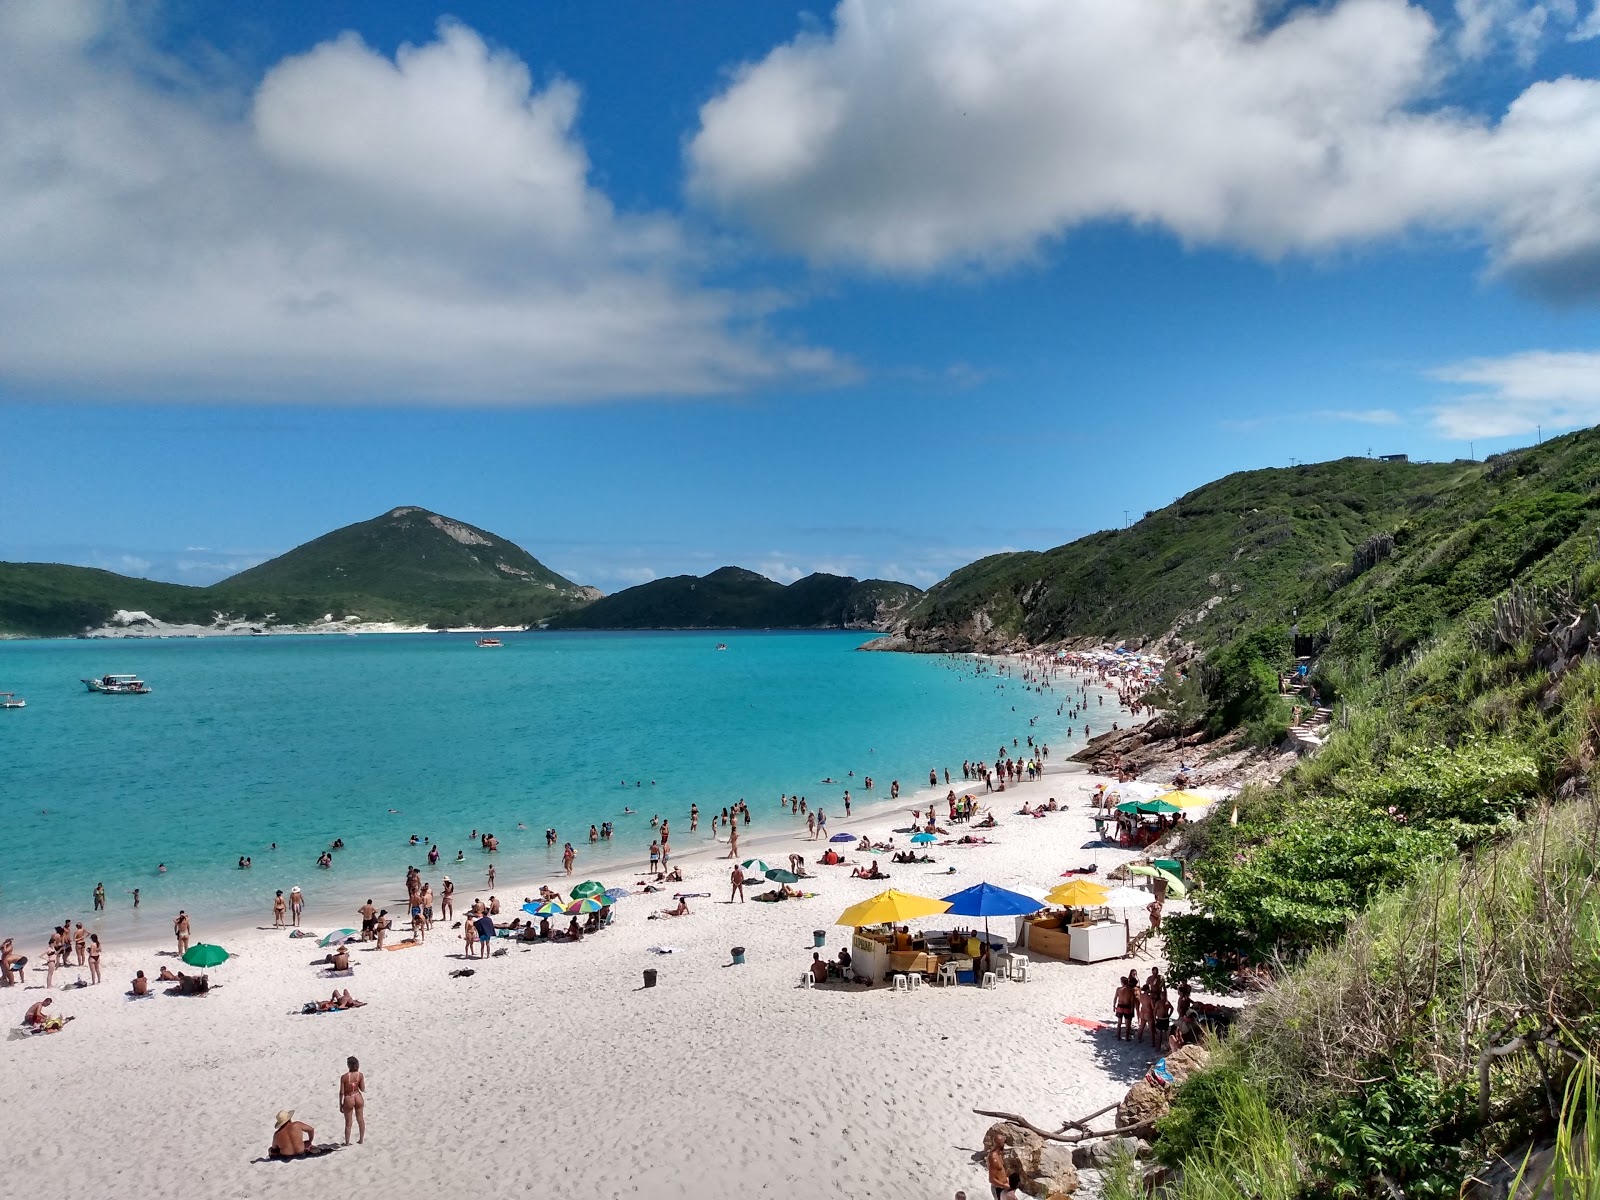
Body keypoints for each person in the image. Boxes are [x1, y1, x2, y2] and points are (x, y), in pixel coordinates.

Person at [339, 1056, 366, 1145]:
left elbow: (342, 1092)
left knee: (348, 1122)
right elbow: (362, 1089)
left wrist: (340, 1104)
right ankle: (361, 1139)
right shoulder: (360, 1075)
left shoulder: (344, 1077)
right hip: (357, 1096)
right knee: (360, 1119)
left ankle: (347, 1142)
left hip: (349, 1097)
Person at [1113, 974, 1138, 1042]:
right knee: (1127, 1024)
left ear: (1122, 983)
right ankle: (1127, 1037)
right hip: (1127, 1007)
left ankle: (1118, 1036)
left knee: (1119, 1023)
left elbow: (1115, 998)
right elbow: (1132, 1002)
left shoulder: (1118, 989)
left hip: (1120, 1006)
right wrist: (1132, 1010)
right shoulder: (1131, 991)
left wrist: (1113, 1005)